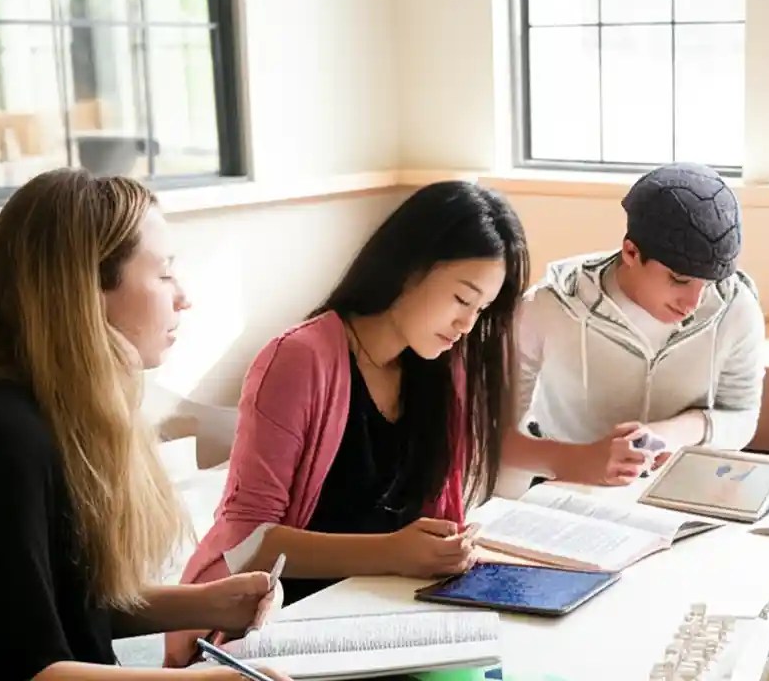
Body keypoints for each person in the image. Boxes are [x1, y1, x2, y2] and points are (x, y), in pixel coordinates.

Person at [167, 180, 528, 664]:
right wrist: (392, 552)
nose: (467, 324)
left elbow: (432, 519)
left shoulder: (443, 371)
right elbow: (249, 541)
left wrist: (443, 550)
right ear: (410, 267)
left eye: (480, 310)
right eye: (462, 299)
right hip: (282, 625)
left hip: (385, 616)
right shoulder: (298, 360)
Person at [0, 169, 289, 680]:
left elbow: (68, 602)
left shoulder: (60, 412)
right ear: (87, 287)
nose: (183, 297)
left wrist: (209, 605)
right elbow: (27, 666)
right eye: (165, 271)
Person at [500, 162, 766, 493]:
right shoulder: (546, 306)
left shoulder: (737, 309)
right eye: (679, 279)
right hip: (567, 493)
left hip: (680, 496)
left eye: (709, 283)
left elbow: (741, 417)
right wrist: (578, 461)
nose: (694, 303)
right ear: (631, 252)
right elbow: (497, 436)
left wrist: (670, 433)